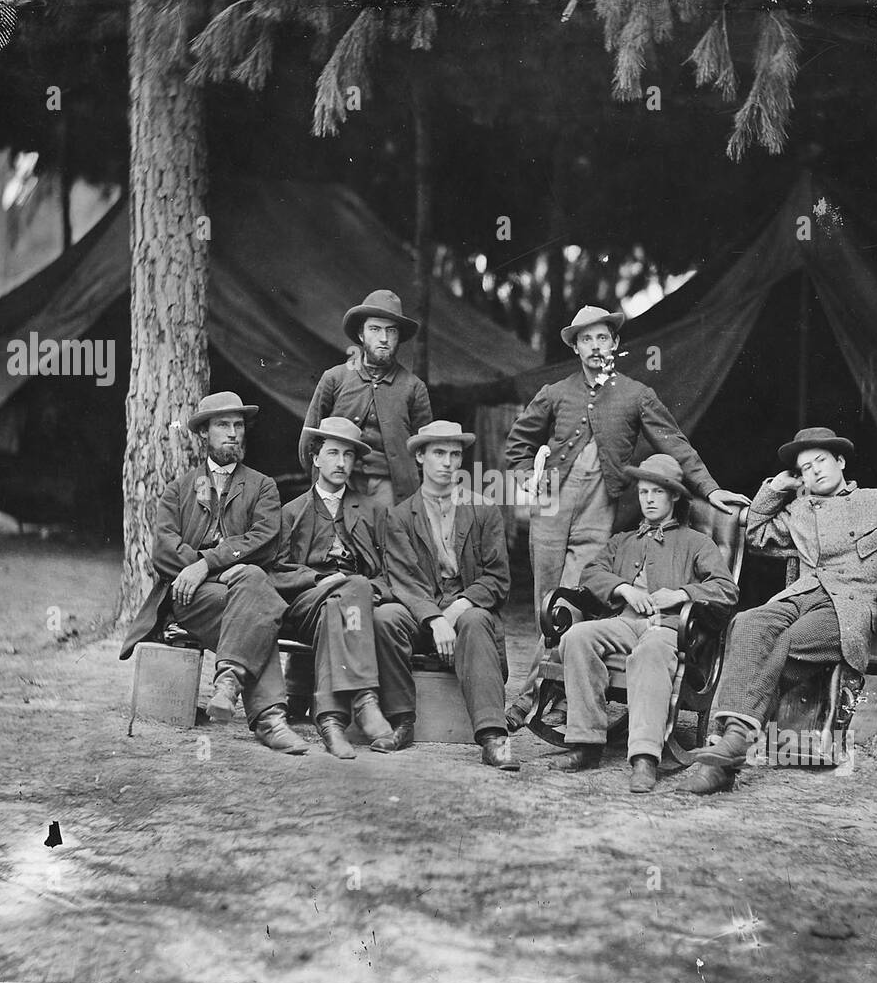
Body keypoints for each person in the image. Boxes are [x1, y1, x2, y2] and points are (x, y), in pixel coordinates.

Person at [503, 304, 749, 727]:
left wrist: (710, 489)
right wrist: (528, 477)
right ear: (577, 348)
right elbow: (517, 445)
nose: (595, 346)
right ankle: (547, 691)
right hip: (550, 507)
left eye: (603, 338)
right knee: (549, 604)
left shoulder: (637, 395)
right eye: (586, 339)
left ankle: (539, 699)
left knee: (577, 600)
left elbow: (676, 446)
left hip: (599, 508)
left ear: (615, 344)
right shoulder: (555, 392)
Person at [682, 426, 877, 795]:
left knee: (784, 642)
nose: (815, 472)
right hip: (802, 594)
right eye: (805, 468)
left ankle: (727, 746)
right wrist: (778, 486)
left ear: (841, 461)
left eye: (821, 462)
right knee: (748, 622)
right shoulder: (798, 509)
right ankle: (729, 750)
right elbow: (755, 531)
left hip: (846, 607)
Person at [120, 391, 307, 754]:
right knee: (257, 598)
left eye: (238, 425)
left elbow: (264, 541)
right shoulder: (178, 489)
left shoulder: (262, 486)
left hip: (236, 591)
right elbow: (163, 551)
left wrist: (205, 564)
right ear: (204, 433)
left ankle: (235, 688)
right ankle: (266, 717)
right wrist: (207, 572)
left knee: (253, 587)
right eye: (223, 425)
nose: (233, 433)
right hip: (190, 599)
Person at [549, 454, 739, 792]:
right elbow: (591, 572)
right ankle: (586, 744)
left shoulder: (697, 542)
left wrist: (681, 593)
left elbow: (726, 590)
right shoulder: (625, 540)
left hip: (667, 629)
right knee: (578, 635)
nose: (648, 500)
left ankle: (644, 758)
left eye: (657, 493)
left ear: (675, 496)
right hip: (623, 622)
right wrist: (622, 587)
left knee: (650, 651)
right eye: (643, 493)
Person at [270, 417, 415, 758]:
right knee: (347, 591)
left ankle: (332, 723)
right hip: (306, 603)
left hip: (349, 606)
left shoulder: (375, 511)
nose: (341, 462)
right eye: (333, 453)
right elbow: (276, 573)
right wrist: (320, 580)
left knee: (346, 598)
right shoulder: (291, 512)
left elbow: (396, 570)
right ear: (316, 458)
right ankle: (365, 700)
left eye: (348, 456)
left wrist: (366, 591)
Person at [383, 421, 518, 770]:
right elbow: (404, 580)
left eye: (455, 454)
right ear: (420, 458)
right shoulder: (399, 516)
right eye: (439, 453)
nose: (448, 462)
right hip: (420, 614)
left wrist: (456, 609)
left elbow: (497, 578)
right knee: (386, 617)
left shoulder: (484, 509)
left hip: (466, 607)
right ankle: (401, 721)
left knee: (475, 620)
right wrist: (433, 618)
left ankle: (493, 738)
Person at [298, 289, 433, 513]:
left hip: (391, 489)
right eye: (375, 329)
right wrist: (322, 485)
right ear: (361, 335)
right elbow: (309, 439)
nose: (383, 338)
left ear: (399, 337)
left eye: (391, 331)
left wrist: (408, 489)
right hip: (340, 483)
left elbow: (425, 453)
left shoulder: (414, 387)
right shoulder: (335, 378)